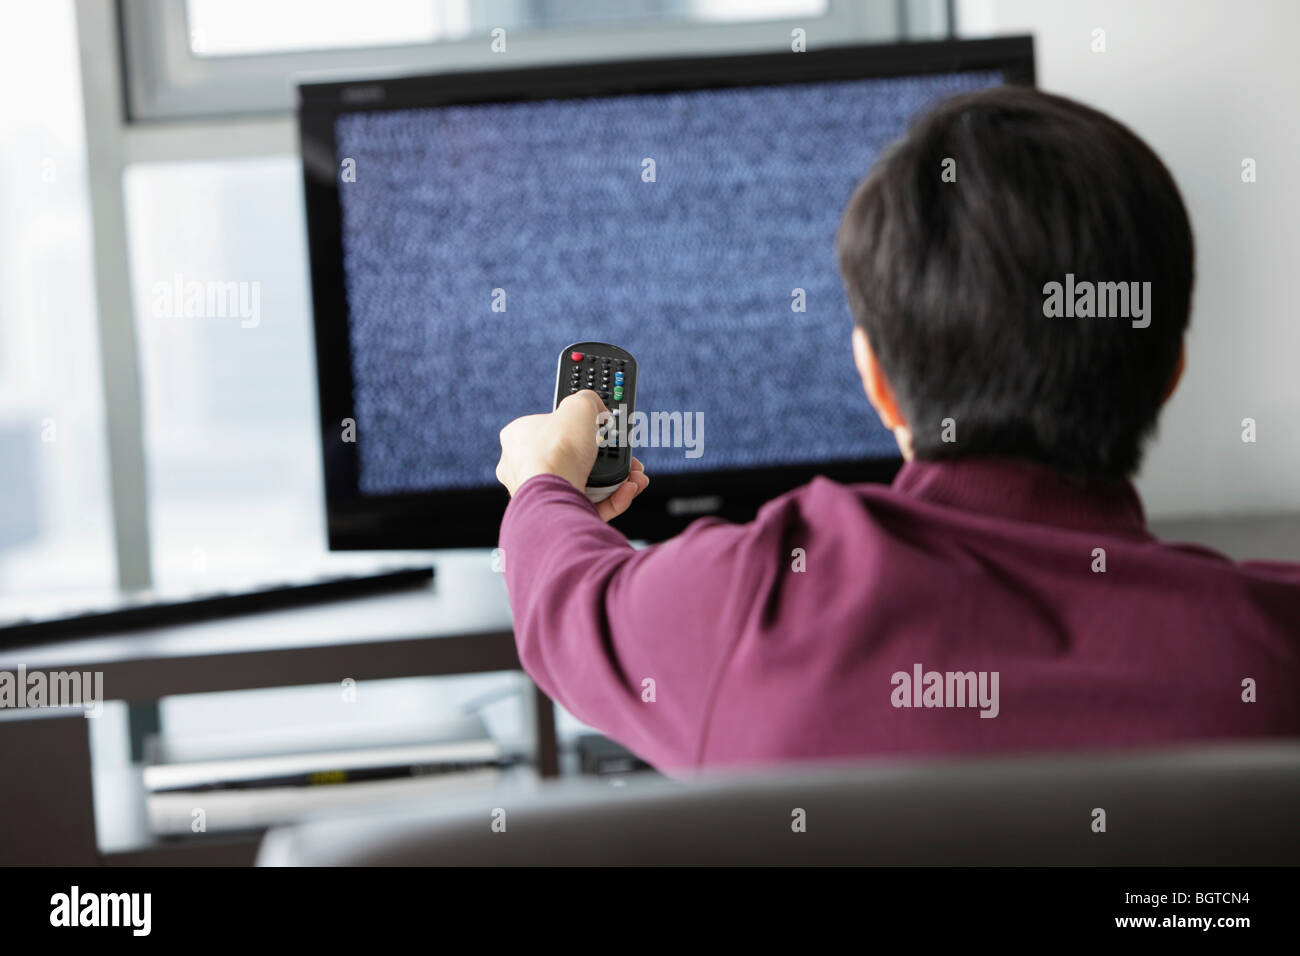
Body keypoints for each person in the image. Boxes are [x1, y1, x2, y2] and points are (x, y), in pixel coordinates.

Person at [493, 86, 1300, 774]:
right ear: (1171, 374)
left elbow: (567, 608)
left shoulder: (744, 603)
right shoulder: (1273, 647)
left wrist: (546, 485)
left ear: (877, 381)